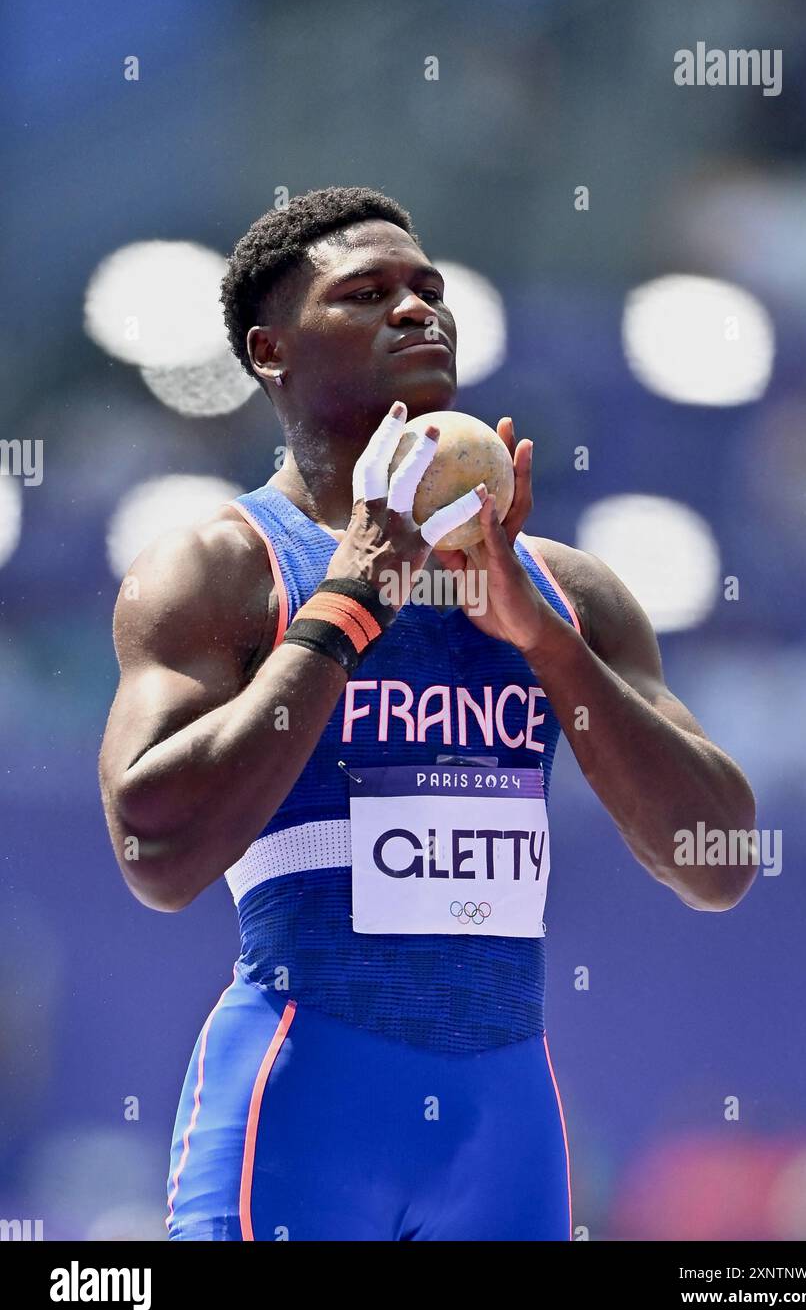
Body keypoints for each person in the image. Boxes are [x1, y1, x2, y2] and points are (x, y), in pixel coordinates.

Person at [98, 186, 757, 1241]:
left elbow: (716, 858)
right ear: (270, 351)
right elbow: (153, 849)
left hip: (506, 1128)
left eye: (427, 289)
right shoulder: (220, 572)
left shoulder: (566, 592)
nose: (416, 310)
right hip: (300, 1100)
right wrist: (344, 609)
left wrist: (546, 644)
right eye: (365, 293)